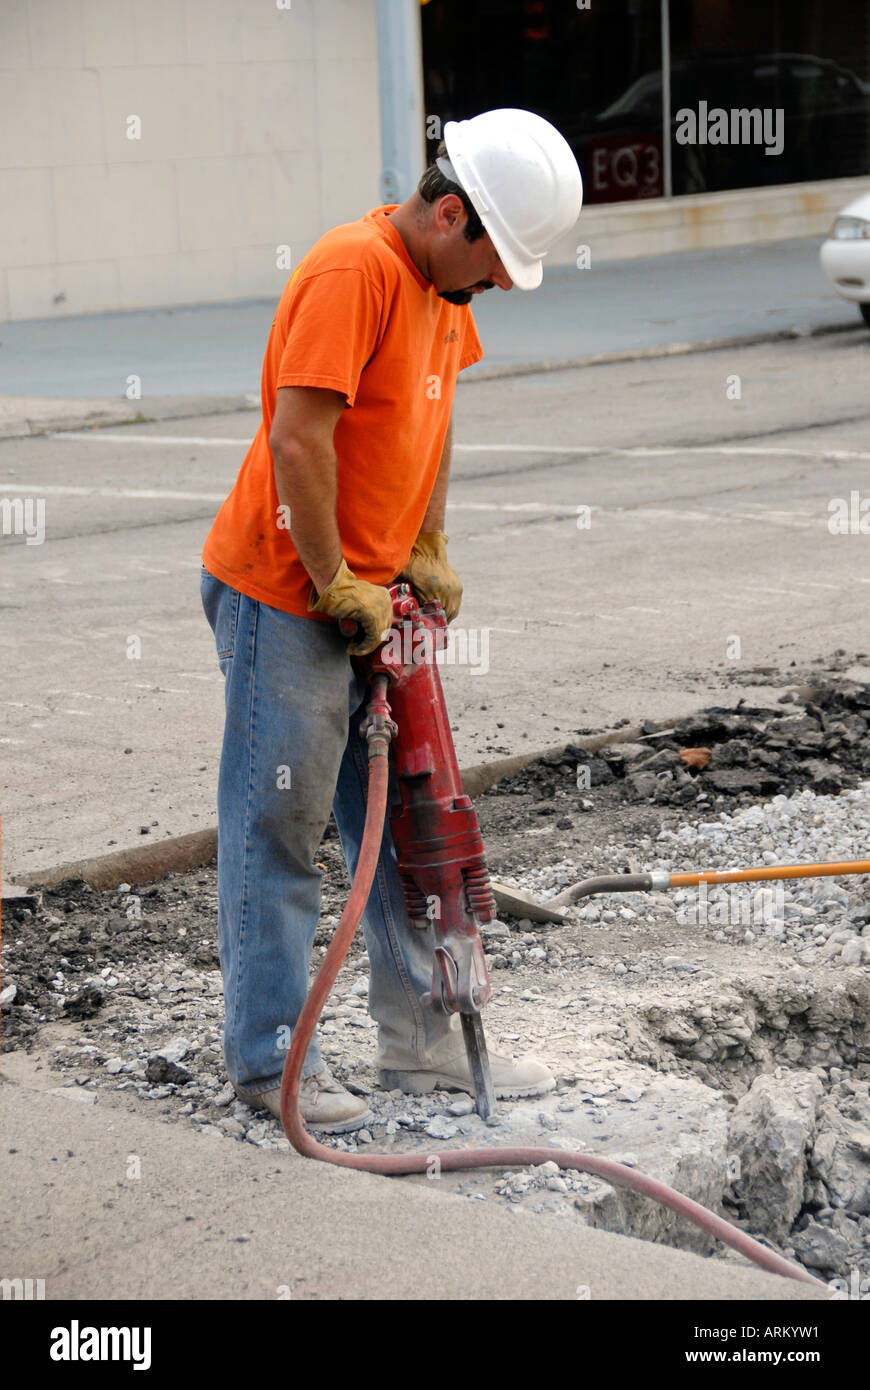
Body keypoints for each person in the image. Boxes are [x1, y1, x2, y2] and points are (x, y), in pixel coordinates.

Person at [200, 109, 583, 1132]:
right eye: (495, 259)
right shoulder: (352, 270)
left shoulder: (441, 282)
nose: (499, 283)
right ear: (449, 211)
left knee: (404, 825)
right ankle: (271, 1064)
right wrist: (334, 580)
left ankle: (420, 1042)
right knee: (276, 825)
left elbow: (434, 414)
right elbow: (298, 440)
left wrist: (426, 546)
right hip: (287, 592)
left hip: (371, 592)